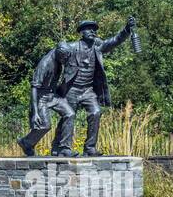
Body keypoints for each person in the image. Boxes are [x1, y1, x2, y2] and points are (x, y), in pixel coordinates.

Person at [18, 16, 136, 157]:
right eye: (89, 29)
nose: (93, 31)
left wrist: (127, 29)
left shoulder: (98, 46)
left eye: (94, 29)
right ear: (82, 32)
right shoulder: (71, 48)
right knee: (67, 118)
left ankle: (90, 148)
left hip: (88, 90)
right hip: (72, 89)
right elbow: (54, 60)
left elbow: (114, 41)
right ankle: (60, 148)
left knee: (96, 112)